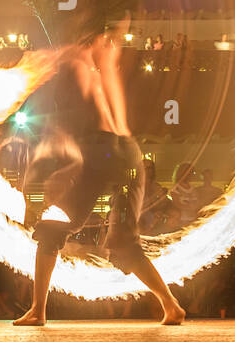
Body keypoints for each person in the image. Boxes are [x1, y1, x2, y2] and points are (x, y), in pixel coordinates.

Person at [14, 23, 185, 326]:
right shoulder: (98, 64)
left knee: (53, 230)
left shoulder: (77, 67)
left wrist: (47, 185)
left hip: (103, 154)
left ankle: (38, 311)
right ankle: (170, 305)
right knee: (117, 240)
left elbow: (62, 138)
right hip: (125, 155)